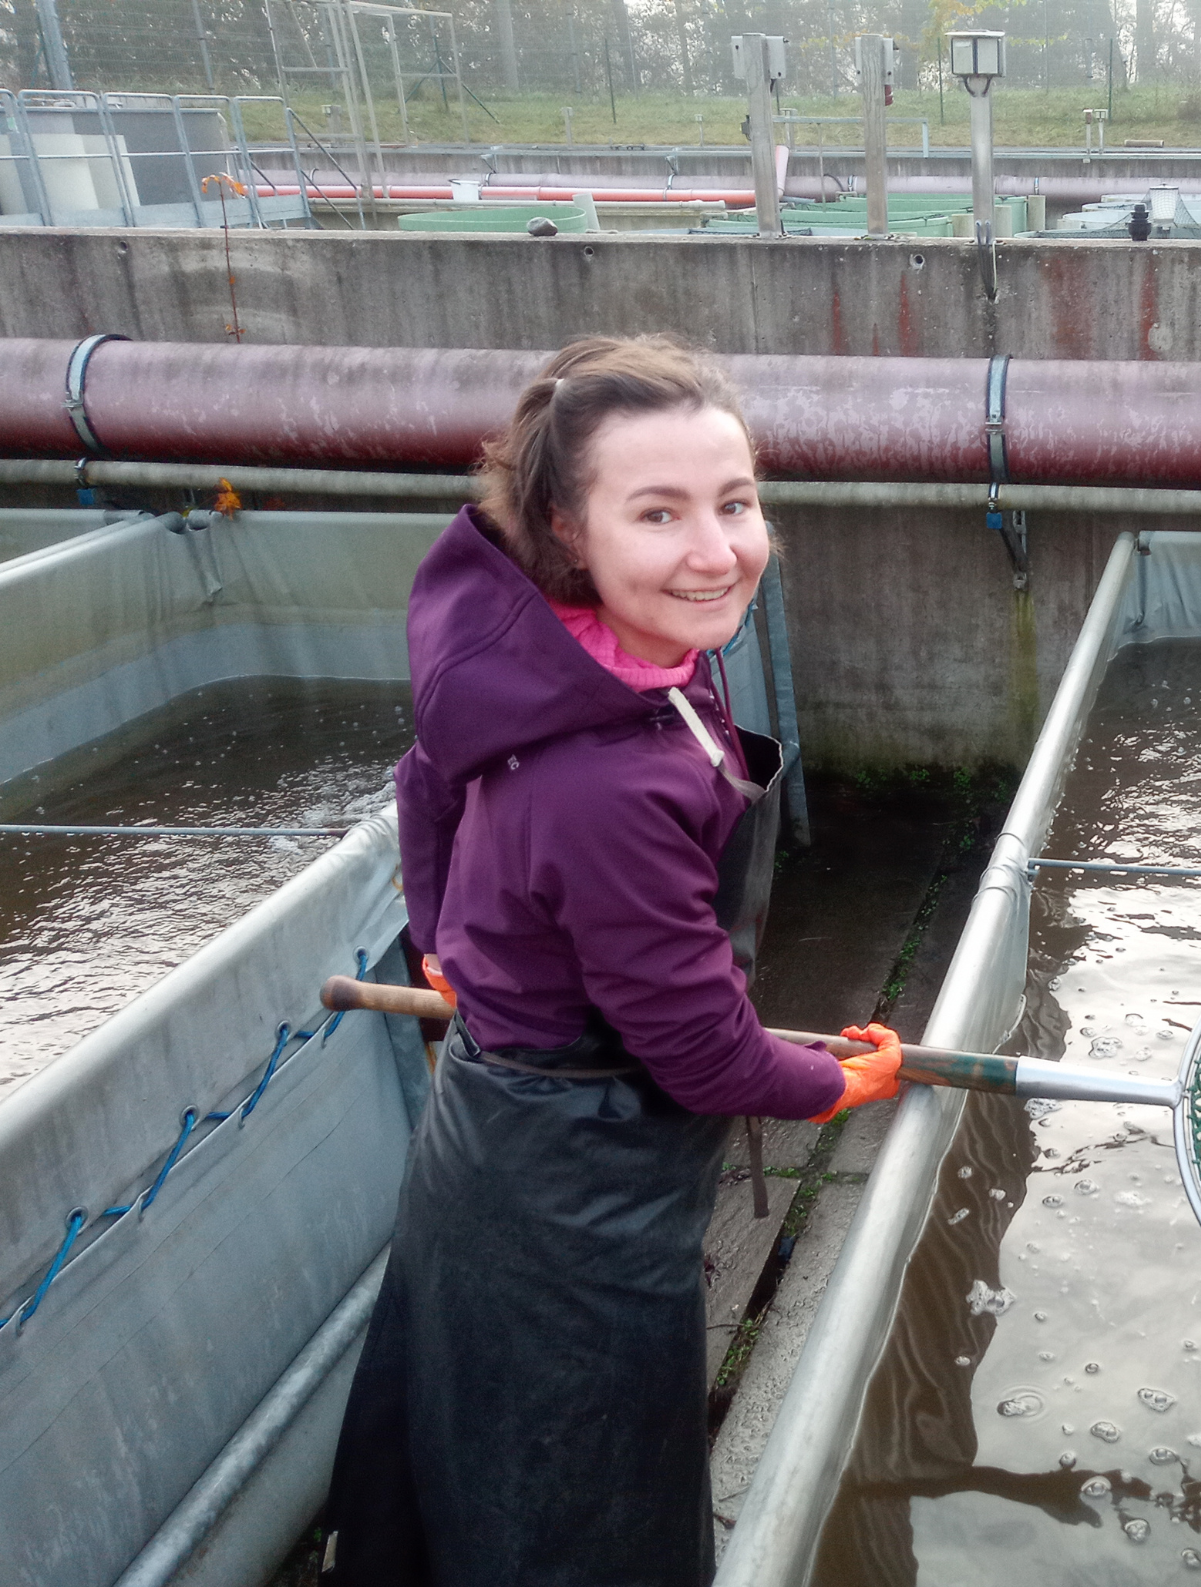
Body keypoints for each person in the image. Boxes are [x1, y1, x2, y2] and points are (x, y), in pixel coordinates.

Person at [321, 335, 904, 1586]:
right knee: (578, 1486)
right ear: (564, 530)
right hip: (572, 1170)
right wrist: (834, 1083)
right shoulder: (608, 783)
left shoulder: (567, 649)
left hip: (492, 1112)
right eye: (659, 513)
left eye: (735, 502)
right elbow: (697, 1050)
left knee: (472, 1425)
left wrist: (444, 941)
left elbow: (425, 775)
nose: (716, 549)